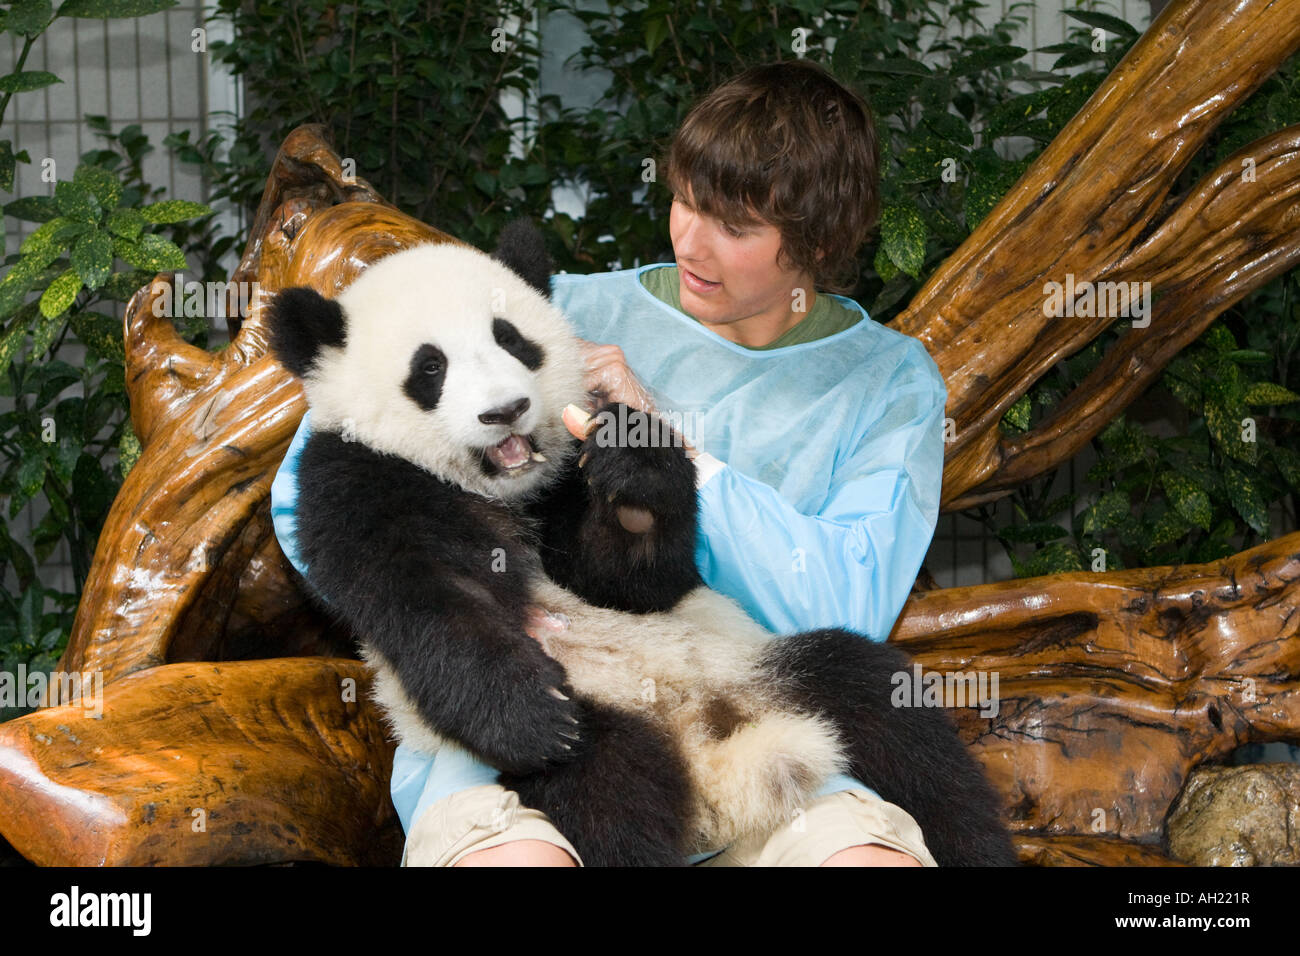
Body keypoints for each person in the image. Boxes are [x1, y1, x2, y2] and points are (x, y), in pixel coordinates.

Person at [270, 59, 948, 867]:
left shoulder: (888, 383)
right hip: (524, 724)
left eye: (735, 226)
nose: (692, 241)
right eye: (687, 200)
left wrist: (670, 449)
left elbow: (848, 602)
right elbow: (325, 494)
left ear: (821, 240)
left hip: (745, 708)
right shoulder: (556, 311)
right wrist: (466, 612)